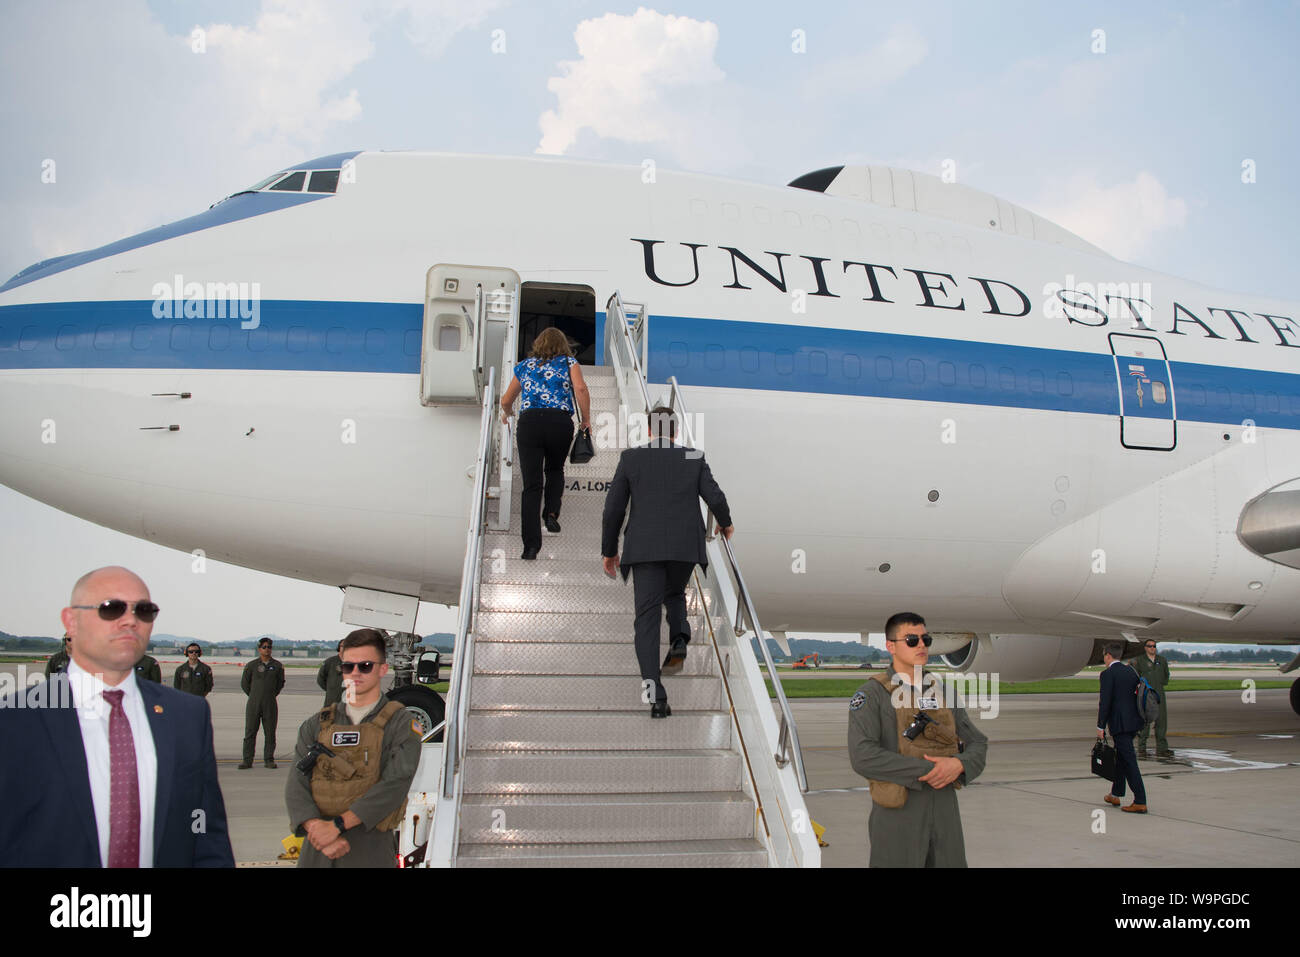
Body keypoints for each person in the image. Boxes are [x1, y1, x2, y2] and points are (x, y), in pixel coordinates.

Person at [0, 566, 233, 866]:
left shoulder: (188, 716)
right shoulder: (14, 721)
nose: (130, 620)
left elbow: (208, 838)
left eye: (144, 611)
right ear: (70, 621)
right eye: (112, 609)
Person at [600, 406, 733, 717]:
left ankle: (656, 696)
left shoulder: (631, 458)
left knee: (646, 619)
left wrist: (609, 551)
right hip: (684, 546)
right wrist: (725, 523)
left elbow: (613, 510)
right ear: (675, 431)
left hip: (644, 549)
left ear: (649, 430)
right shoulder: (693, 457)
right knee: (674, 593)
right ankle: (680, 637)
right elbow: (715, 497)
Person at [847, 612, 989, 867]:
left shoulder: (944, 692)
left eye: (926, 639)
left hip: (945, 813)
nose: (921, 645)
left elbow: (977, 743)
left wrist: (959, 765)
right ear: (890, 646)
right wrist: (932, 770)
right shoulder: (872, 695)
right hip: (897, 814)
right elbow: (863, 756)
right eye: (912, 640)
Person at [285, 628, 423, 868]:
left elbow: (394, 785)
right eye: (348, 666)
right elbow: (296, 783)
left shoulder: (400, 724)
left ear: (382, 669)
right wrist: (317, 829)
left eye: (365, 666)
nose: (355, 673)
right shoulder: (316, 724)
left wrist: (336, 826)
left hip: (369, 849)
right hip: (317, 851)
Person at [500, 327, 592, 560]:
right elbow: (580, 388)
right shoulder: (569, 363)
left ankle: (530, 546)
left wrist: (507, 412)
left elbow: (506, 400)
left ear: (538, 344)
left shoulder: (525, 366)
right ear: (563, 345)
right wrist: (586, 420)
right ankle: (551, 513)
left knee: (531, 485)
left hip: (530, 423)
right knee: (554, 470)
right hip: (559, 422)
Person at [1097, 641, 1148, 813]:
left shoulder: (1107, 674)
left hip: (1120, 724)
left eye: (1104, 655)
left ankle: (1140, 800)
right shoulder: (1131, 671)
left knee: (1129, 761)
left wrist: (1100, 726)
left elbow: (1105, 703)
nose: (1104, 659)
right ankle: (1115, 793)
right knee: (1121, 758)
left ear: (1108, 656)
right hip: (1134, 723)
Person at [240, 636, 285, 769]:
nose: (267, 650)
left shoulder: (277, 666)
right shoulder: (252, 665)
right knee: (250, 732)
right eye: (264, 647)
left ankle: (269, 759)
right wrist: (254, 695)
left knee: (270, 732)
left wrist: (269, 695)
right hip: (253, 703)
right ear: (259, 649)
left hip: (270, 703)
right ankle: (247, 760)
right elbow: (245, 684)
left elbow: (280, 684)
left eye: (269, 647)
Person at [1133, 638, 1173, 758]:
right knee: (1145, 722)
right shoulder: (1139, 660)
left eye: (1154, 646)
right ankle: (1142, 748)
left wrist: (1160, 682)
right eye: (1150, 646)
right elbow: (1135, 675)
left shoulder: (1162, 660)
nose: (1152, 648)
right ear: (1145, 648)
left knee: (1161, 721)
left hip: (1159, 693)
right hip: (1146, 695)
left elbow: (1166, 675)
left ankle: (1162, 748)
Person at [316, 639, 345, 707]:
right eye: (343, 646)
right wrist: (331, 689)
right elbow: (320, 679)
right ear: (339, 647)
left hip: (349, 701)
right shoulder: (330, 662)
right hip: (332, 701)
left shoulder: (354, 662)